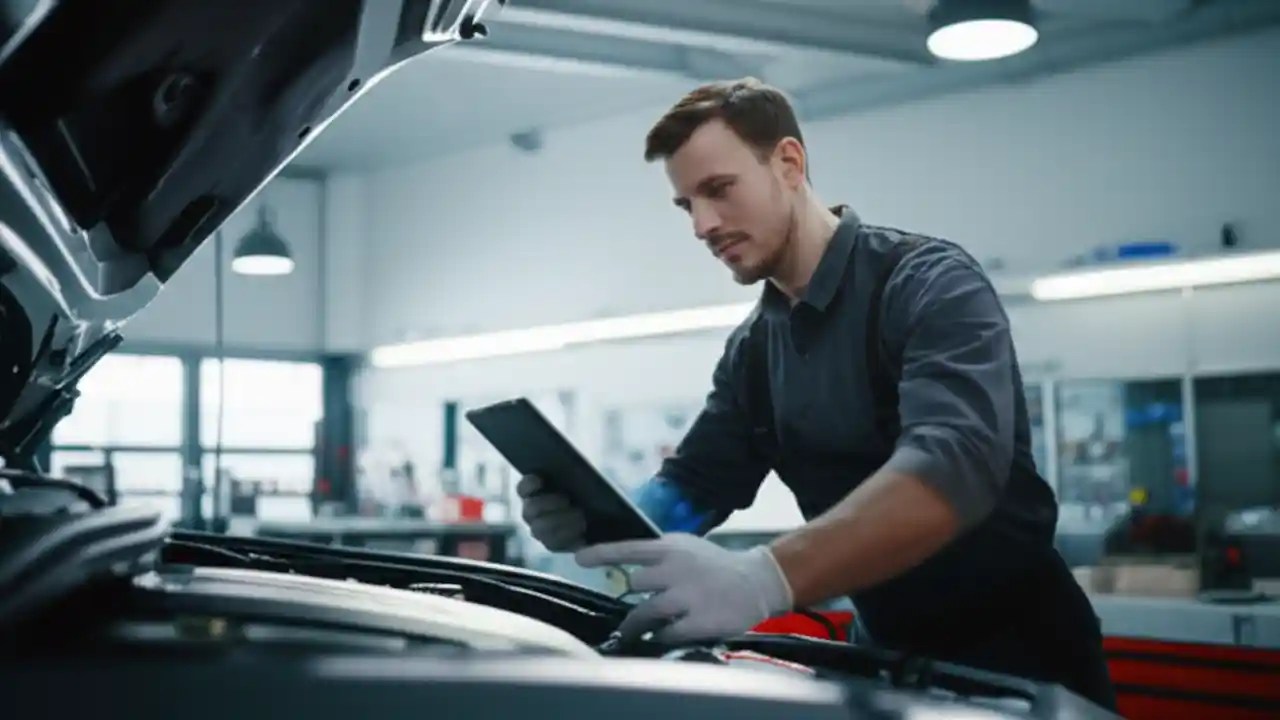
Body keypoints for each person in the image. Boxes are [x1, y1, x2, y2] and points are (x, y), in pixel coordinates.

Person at [516, 77, 1116, 710]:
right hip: (883, 661)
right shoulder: (754, 352)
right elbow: (692, 488)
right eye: (686, 205)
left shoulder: (928, 283)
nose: (702, 224)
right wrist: (597, 524)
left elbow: (954, 467)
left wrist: (765, 576)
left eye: (719, 190)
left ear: (789, 163)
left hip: (1024, 670)